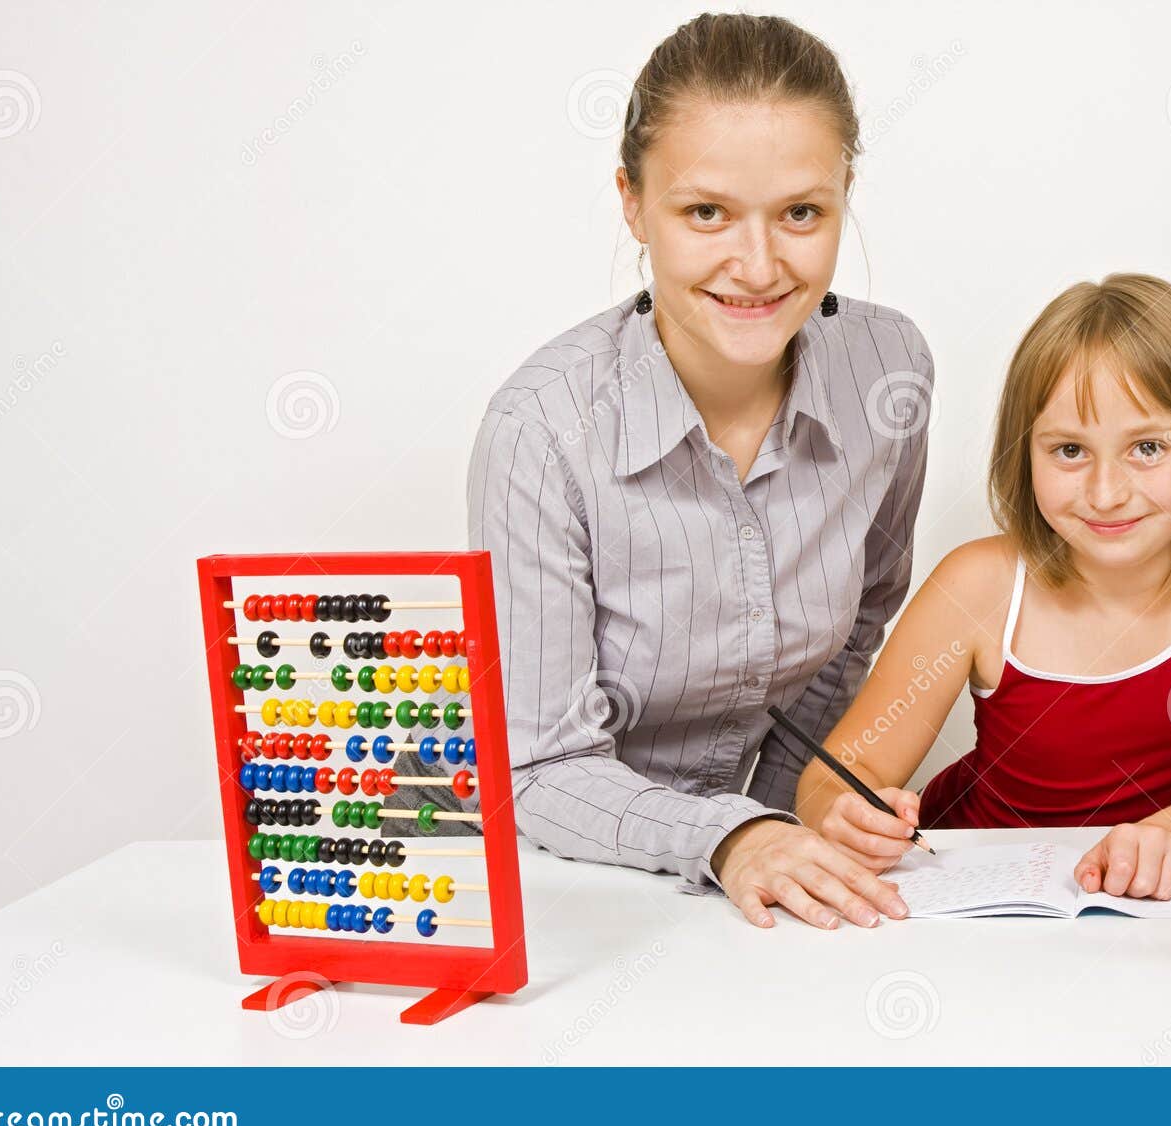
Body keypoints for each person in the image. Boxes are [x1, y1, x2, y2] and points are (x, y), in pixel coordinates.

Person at [389, 13, 934, 930]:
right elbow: (539, 767)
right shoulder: (541, 428)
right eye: (705, 212)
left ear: (846, 196)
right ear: (633, 203)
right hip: (539, 879)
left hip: (741, 892)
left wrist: (798, 813)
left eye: (802, 212)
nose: (758, 267)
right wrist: (733, 836)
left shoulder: (891, 372)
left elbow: (856, 632)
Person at [793, 273, 1171, 901]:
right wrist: (840, 812)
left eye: (1147, 447)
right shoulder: (980, 581)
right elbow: (841, 773)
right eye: (1069, 450)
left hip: (1156, 907)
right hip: (978, 905)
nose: (1105, 492)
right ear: (1025, 455)